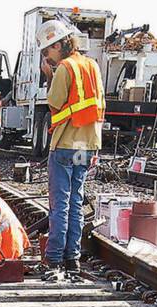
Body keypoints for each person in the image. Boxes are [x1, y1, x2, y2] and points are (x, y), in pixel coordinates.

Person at [37, 17, 105, 281]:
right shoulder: (92, 66)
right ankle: (72, 260)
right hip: (86, 146)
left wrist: (50, 76)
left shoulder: (65, 68)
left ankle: (54, 259)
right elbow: (97, 106)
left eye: (48, 50)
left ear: (61, 44)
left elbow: (54, 103)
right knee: (75, 202)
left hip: (65, 144)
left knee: (60, 204)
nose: (48, 56)